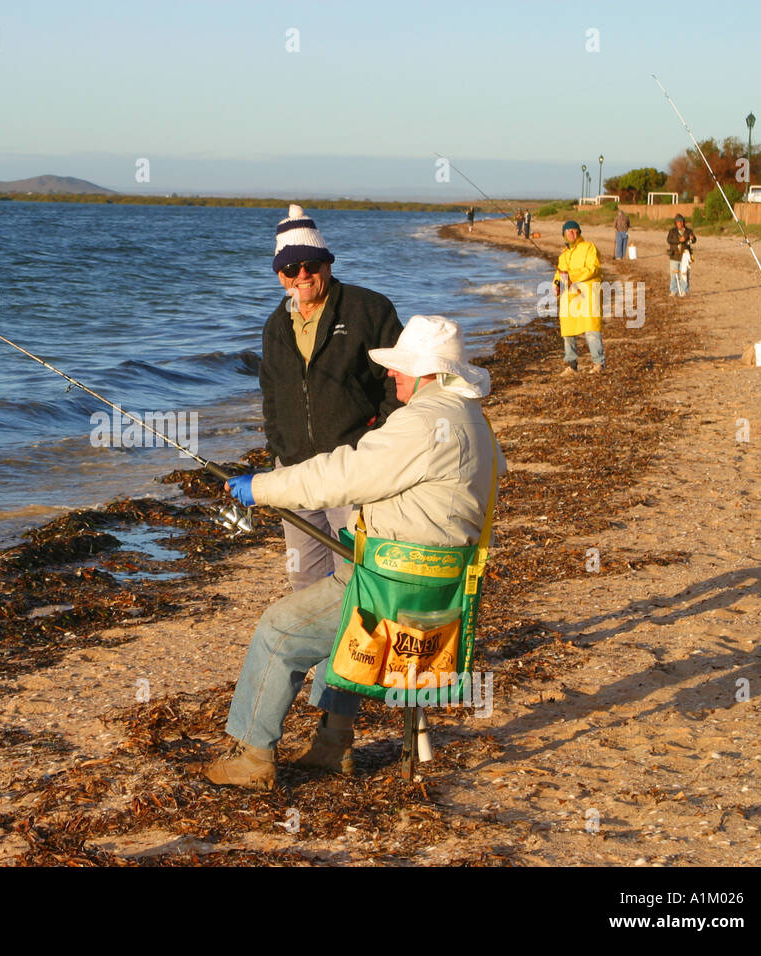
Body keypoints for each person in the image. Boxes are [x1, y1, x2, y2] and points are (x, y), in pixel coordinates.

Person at [205, 316, 505, 788]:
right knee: (333, 632)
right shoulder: (473, 420)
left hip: (391, 585)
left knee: (279, 631)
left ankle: (253, 758)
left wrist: (262, 487)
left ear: (429, 372)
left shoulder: (423, 423)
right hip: (444, 587)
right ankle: (333, 742)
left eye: (402, 367)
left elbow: (341, 474)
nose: (392, 374)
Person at [260, 204, 402, 591]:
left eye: (310, 264)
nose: (302, 275)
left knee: (363, 572)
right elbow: (271, 392)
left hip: (353, 468)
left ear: (327, 263)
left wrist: (375, 438)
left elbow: (400, 377)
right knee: (305, 578)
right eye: (291, 268)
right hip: (295, 471)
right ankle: (324, 650)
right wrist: (279, 447)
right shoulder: (275, 325)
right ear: (280, 275)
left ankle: (364, 647)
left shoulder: (369, 309)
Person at [554, 220, 604, 374]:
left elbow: (593, 268)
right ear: (564, 234)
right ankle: (571, 365)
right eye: (568, 231)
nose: (572, 233)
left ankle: (599, 364)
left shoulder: (589, 247)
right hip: (569, 296)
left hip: (588, 293)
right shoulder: (563, 254)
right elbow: (559, 273)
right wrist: (556, 284)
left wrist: (572, 276)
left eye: (575, 230)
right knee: (568, 331)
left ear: (579, 232)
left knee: (591, 329)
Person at [667, 214, 697, 297]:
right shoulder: (672, 231)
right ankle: (673, 290)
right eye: (678, 222)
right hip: (674, 255)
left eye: (681, 221)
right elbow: (669, 240)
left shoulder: (688, 230)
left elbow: (694, 240)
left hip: (685, 256)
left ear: (683, 222)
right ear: (675, 223)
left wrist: (692, 238)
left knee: (684, 274)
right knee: (673, 274)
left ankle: (684, 290)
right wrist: (679, 240)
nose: (680, 223)